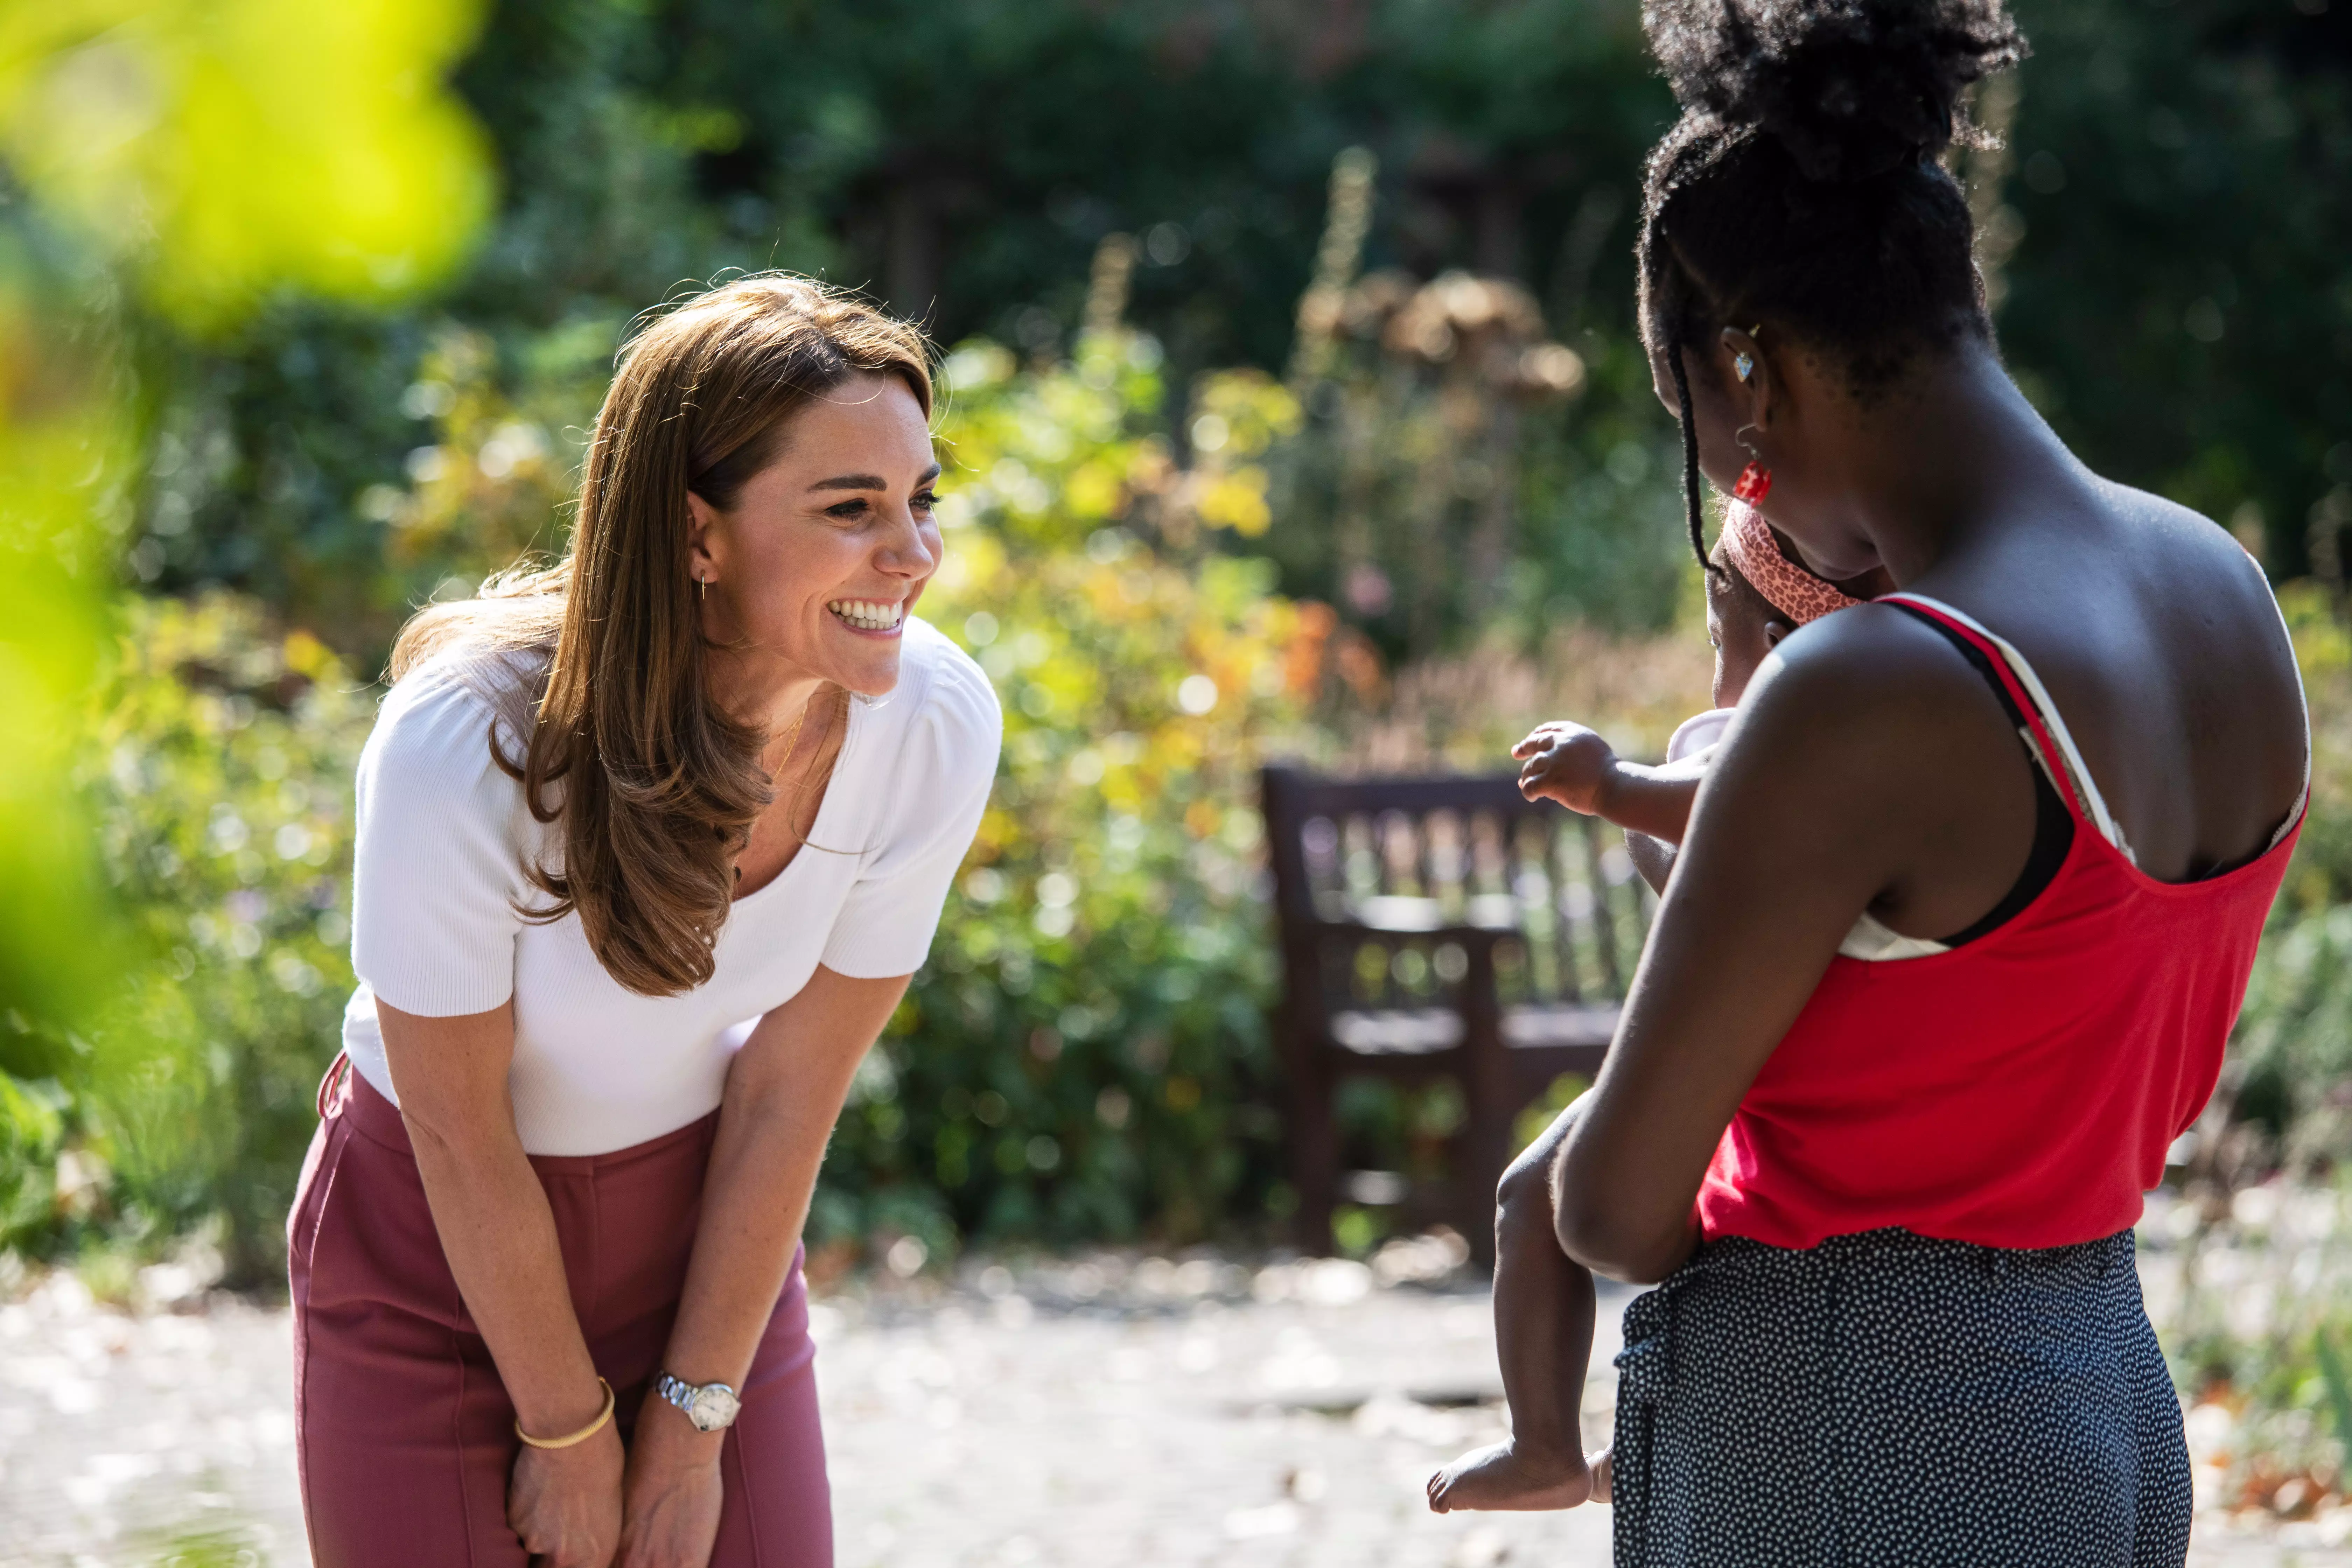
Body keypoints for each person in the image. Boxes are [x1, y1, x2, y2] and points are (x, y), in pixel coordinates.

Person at [1549, 1, 2307, 1561]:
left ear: (1749, 370)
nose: (1737, 501)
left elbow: (1616, 1202)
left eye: (1706, 438)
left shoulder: (1879, 685)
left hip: (1845, 1421)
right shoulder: (2224, 591)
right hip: (2101, 1388)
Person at [286, 275, 1001, 1568]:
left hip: (705, 1249)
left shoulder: (936, 723)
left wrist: (688, 1423)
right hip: (432, 1253)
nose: (913, 555)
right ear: (695, 534)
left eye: (920, 500)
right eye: (852, 509)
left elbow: (792, 1090)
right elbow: (458, 1131)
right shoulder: (467, 744)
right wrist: (568, 1434)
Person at [1427, 511, 1881, 1515]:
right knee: (1530, 1194)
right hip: (1717, 1054)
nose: (1716, 667)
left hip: (1765, 1069)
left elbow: (1740, 809)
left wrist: (1616, 786)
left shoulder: (1809, 743)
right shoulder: (1757, 740)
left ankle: (1623, 1434)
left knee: (1645, 1230)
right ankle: (1542, 1439)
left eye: (1722, 640)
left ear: (1781, 644)